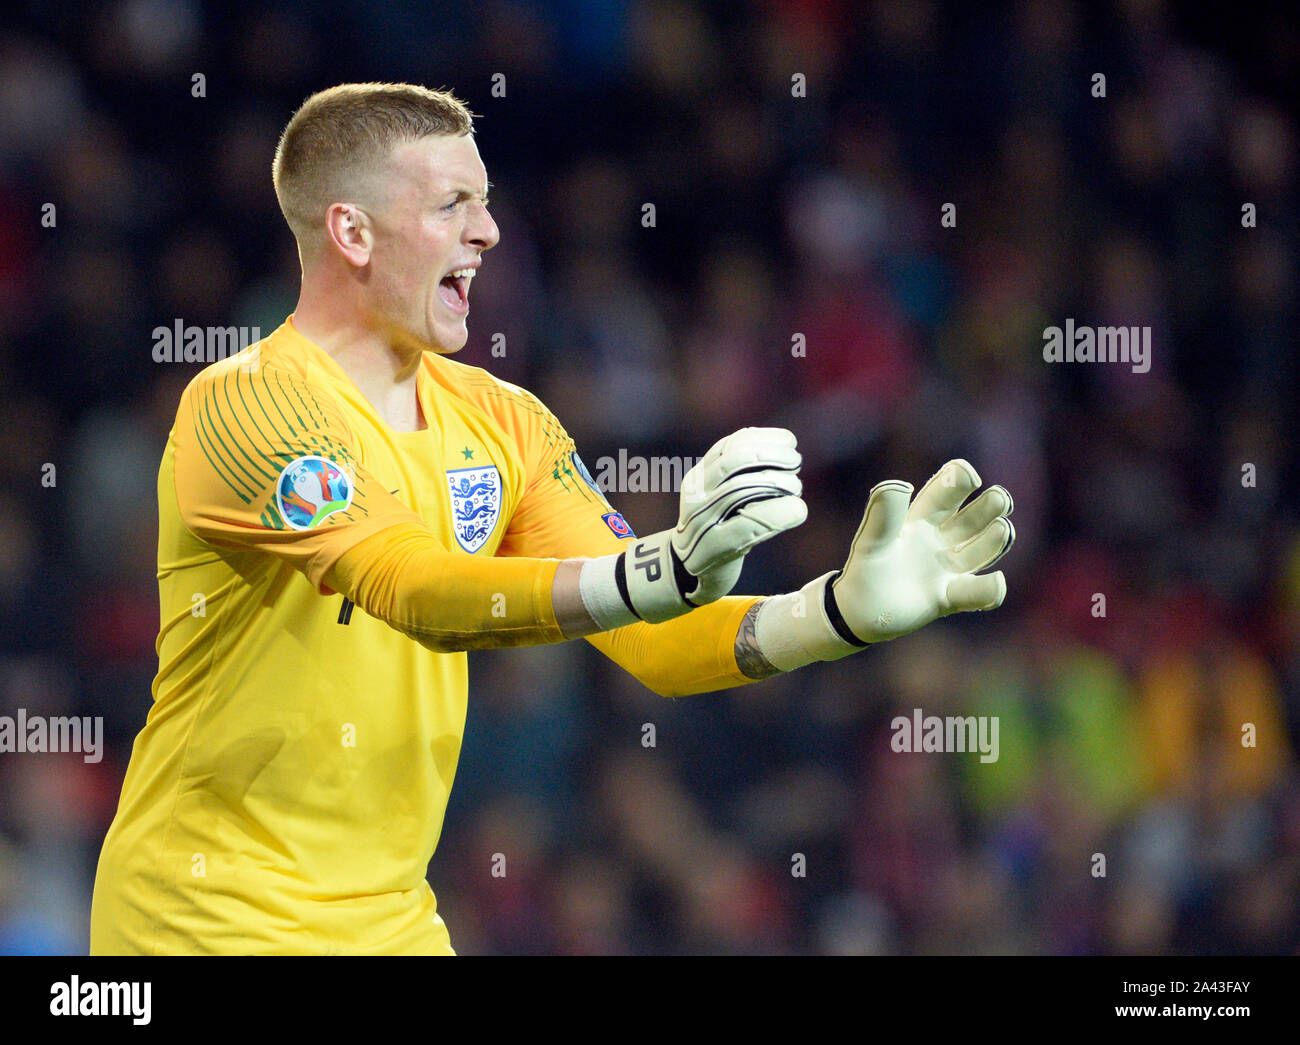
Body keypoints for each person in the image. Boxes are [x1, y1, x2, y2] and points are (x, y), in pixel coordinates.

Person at [90, 83, 1015, 955]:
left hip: (390, 924)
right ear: (352, 231)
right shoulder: (247, 405)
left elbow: (657, 637)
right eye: (453, 203)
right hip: (199, 919)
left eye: (485, 202)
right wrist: (657, 571)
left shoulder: (504, 422)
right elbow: (411, 587)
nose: (488, 231)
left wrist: (837, 611)